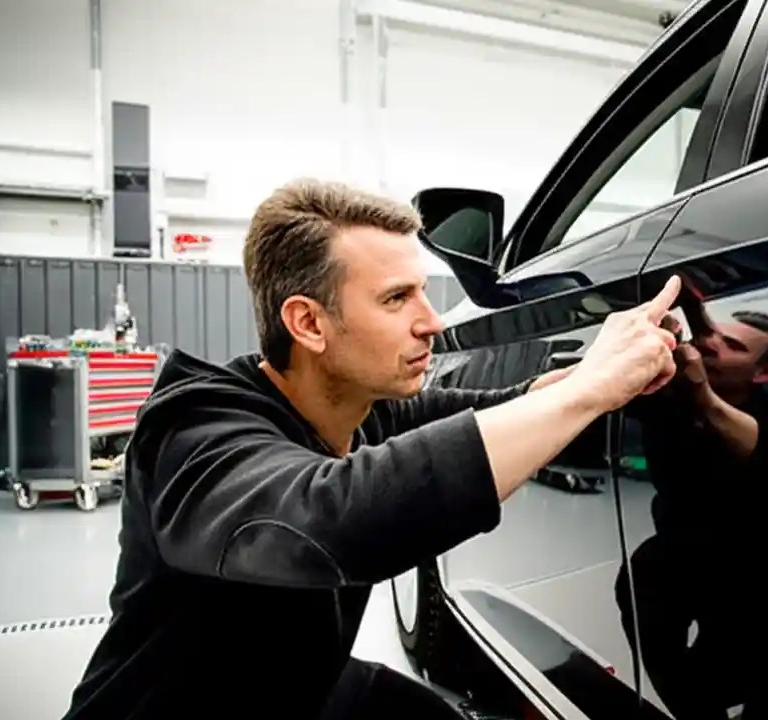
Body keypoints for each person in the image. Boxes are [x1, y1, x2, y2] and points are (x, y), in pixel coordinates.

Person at [64, 178, 684, 719]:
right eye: (396, 299)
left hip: (297, 693)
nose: (432, 321)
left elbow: (503, 409)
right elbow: (330, 516)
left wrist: (607, 370)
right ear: (308, 323)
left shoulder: (365, 411)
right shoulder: (194, 431)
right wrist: (590, 388)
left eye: (422, 290)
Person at [616, 307, 768, 720]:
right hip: (678, 549)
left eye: (732, 346)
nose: (709, 343)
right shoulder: (665, 393)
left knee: (756, 677)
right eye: (712, 333)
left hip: (760, 562)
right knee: (658, 642)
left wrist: (703, 396)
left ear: (763, 373)